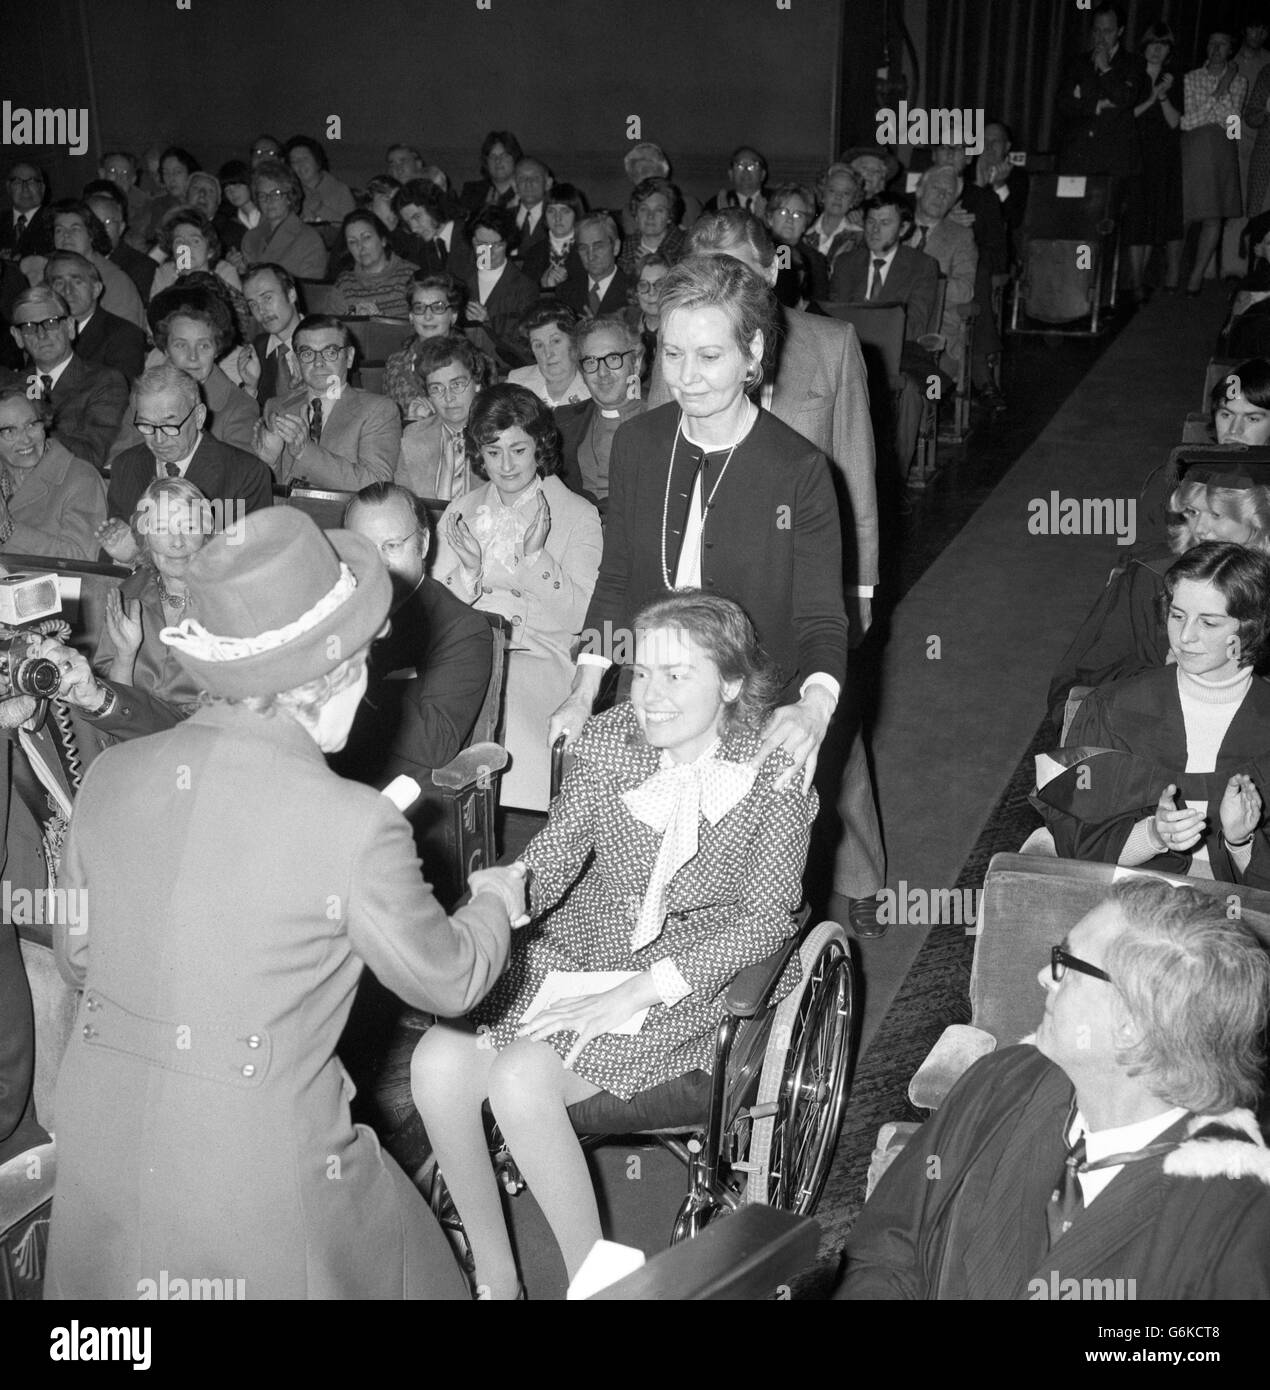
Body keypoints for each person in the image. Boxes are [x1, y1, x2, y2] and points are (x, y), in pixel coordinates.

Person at [45, 506, 525, 1300]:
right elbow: (451, 981)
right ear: (340, 674)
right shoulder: (354, 823)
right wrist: (492, 901)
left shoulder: (113, 776)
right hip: (256, 1165)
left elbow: (80, 957)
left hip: (101, 1138)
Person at [414, 591, 813, 1296]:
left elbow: (767, 920)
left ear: (728, 683)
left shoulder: (773, 774)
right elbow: (557, 853)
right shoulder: (607, 742)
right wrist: (502, 892)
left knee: (518, 1077)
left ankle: (597, 1285)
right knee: (438, 1063)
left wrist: (637, 987)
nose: (649, 697)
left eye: (676, 675)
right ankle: (497, 1282)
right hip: (587, 945)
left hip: (695, 975)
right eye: (642, 673)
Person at [839, 876, 1270, 1299]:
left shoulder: (1233, 1224)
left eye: (1067, 963)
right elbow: (888, 1245)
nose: (1045, 974)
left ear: (1131, 1026)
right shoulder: (1004, 1079)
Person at [646, 216, 883, 927]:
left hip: (804, 566)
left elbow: (857, 475)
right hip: (708, 574)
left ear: (770, 273)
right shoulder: (687, 344)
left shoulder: (831, 343)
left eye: (737, 269)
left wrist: (860, 593)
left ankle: (858, 874)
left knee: (828, 735)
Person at [554, 255, 848, 818]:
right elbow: (615, 580)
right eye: (672, 353)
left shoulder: (799, 469)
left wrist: (814, 706)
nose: (686, 377)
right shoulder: (637, 444)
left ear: (753, 355)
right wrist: (584, 688)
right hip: (649, 698)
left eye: (710, 356)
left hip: (752, 708)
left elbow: (820, 620)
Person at [1038, 542, 1270, 885]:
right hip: (1135, 890)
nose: (1185, 636)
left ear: (1249, 628)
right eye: (1177, 615)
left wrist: (1241, 842)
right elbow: (1077, 842)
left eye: (1208, 622)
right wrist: (1153, 835)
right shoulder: (1114, 708)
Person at [433, 383, 602, 810]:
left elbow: (585, 618)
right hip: (468, 651)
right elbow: (432, 612)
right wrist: (468, 572)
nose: (505, 465)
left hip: (538, 657)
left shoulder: (578, 515)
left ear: (540, 447)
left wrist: (535, 557)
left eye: (518, 450)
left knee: (504, 711)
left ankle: (516, 826)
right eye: (492, 452)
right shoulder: (460, 510)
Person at [1047, 462, 1270, 729]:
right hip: (1155, 725)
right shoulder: (1150, 576)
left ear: (1256, 520)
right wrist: (1162, 676)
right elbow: (1092, 671)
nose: (1200, 528)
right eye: (1192, 512)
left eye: (1216, 515)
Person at [334, 481, 493, 789]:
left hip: (393, 796)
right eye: (362, 548)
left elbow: (438, 742)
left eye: (392, 546)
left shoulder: (460, 628)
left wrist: (349, 676)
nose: (377, 563)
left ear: (423, 544)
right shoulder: (329, 608)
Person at [102, 363, 273, 566]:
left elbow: (246, 563)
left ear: (199, 417)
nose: (158, 439)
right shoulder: (126, 466)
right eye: (146, 425)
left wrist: (139, 554)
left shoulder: (245, 474)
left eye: (169, 425)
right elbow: (117, 557)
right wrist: (121, 556)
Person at [830, 192, 940, 474]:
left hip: (900, 352)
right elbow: (832, 316)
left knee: (912, 391)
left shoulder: (921, 266)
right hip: (849, 352)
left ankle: (895, 481)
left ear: (904, 229)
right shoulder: (846, 263)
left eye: (885, 222)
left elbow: (915, 324)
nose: (875, 229)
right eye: (870, 221)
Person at [95, 476, 214, 717]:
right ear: (144, 538)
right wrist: (125, 656)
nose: (177, 543)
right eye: (161, 528)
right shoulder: (127, 595)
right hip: (136, 736)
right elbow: (114, 709)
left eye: (189, 527)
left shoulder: (234, 596)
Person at [111, 287, 259, 460]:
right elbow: (117, 462)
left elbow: (238, 476)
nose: (193, 357)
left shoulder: (239, 408)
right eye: (181, 345)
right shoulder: (144, 396)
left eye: (203, 346)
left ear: (217, 350)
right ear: (165, 349)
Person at [255, 316, 400, 491]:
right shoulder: (276, 408)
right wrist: (270, 463)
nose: (318, 362)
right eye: (307, 353)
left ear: (349, 357)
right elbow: (267, 492)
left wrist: (305, 452)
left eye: (330, 352)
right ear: (296, 361)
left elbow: (376, 485)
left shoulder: (378, 410)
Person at [3, 285, 128, 471]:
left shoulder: (104, 381)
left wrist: (35, 429)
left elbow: (91, 456)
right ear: (17, 336)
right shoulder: (13, 386)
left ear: (70, 326)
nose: (41, 334)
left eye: (51, 323)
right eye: (29, 327)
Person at [1056, 2, 1149, 204]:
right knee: (1072, 219)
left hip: (1114, 161)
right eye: (1096, 30)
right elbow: (1064, 103)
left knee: (1108, 225)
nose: (1100, 37)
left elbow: (1125, 98)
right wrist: (1095, 105)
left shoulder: (1134, 63)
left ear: (1120, 31)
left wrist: (1106, 69)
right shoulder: (1077, 63)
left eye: (1107, 31)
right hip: (1078, 158)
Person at [0, 386, 106, 559]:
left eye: (31, 425)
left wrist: (8, 530)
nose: (26, 439)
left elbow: (81, 558)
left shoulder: (81, 478)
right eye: (10, 431)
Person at [555, 315, 646, 512]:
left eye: (613, 359)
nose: (602, 372)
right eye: (591, 362)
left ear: (636, 363)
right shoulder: (561, 425)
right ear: (582, 372)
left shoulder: (664, 421)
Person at [1182, 31, 1249, 294]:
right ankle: (1173, 273)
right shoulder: (1191, 77)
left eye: (1223, 44)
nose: (1216, 48)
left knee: (1213, 216)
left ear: (1231, 50)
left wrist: (1212, 106)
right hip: (1193, 148)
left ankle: (1196, 277)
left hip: (1223, 149)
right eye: (1212, 43)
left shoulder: (1240, 81)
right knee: (1184, 213)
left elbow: (1232, 123)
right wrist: (1222, 90)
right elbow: (1188, 120)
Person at [384, 273, 498, 422]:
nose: (428, 316)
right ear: (411, 316)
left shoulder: (481, 362)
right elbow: (390, 423)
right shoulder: (395, 364)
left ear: (454, 315)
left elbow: (488, 420)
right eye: (419, 308)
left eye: (438, 307)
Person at [1126, 22, 1184, 298]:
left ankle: (1141, 281)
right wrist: (1152, 98)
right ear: (1144, 46)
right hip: (1134, 155)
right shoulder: (1132, 76)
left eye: (1163, 45)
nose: (1157, 49)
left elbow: (1175, 122)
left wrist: (1162, 98)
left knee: (1151, 221)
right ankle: (1135, 284)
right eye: (1153, 44)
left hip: (1161, 159)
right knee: (1136, 219)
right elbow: (1127, 116)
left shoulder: (1172, 80)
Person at [395, 334, 491, 499]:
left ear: (476, 383)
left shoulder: (499, 434)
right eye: (436, 388)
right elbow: (403, 502)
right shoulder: (414, 436)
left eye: (457, 385)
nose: (448, 397)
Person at [906, 166, 979, 380]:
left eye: (948, 193)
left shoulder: (961, 237)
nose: (941, 196)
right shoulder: (896, 225)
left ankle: (929, 406)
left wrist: (926, 283)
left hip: (938, 328)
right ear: (919, 190)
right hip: (893, 321)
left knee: (921, 379)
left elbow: (965, 290)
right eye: (936, 188)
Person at [43, 200, 146, 331]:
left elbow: (126, 336)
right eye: (59, 230)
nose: (66, 235)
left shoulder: (115, 281)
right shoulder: (47, 275)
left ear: (91, 234)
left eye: (75, 229)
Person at [43, 250, 145, 382]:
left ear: (96, 289)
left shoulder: (123, 335)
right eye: (59, 283)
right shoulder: (40, 332)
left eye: (77, 282)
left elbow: (117, 394)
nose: (67, 290)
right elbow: (32, 383)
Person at [464, 207, 536, 366]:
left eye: (497, 245)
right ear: (473, 241)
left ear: (507, 243)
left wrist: (488, 323)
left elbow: (529, 349)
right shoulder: (461, 280)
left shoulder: (525, 288)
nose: (490, 253)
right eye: (483, 244)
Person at [239, 161, 328, 282]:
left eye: (276, 194)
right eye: (262, 195)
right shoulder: (250, 238)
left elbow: (310, 291)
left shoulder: (309, 239)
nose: (268, 200)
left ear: (290, 197)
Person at [329, 210, 418, 319]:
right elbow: (330, 326)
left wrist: (379, 321)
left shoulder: (410, 275)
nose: (360, 246)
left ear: (383, 240)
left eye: (366, 237)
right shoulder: (344, 283)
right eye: (352, 242)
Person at [238, 262, 303, 403]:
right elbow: (242, 420)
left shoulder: (326, 340)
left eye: (267, 298)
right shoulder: (256, 351)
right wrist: (250, 388)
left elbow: (350, 407)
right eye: (253, 304)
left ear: (291, 294)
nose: (261, 310)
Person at [149, 206, 244, 300]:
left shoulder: (225, 273)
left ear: (210, 251)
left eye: (195, 241)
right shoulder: (165, 274)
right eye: (179, 242)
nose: (186, 247)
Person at [82, 182, 157, 302]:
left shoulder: (142, 267)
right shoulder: (72, 259)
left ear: (121, 227)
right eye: (94, 221)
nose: (100, 228)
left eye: (107, 222)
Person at [508, 302, 590, 407]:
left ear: (573, 341)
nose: (548, 353)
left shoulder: (593, 386)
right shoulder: (517, 384)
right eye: (539, 345)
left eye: (555, 341)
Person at [765, 182, 830, 307]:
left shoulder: (815, 260)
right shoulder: (755, 250)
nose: (790, 220)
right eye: (783, 212)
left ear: (806, 224)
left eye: (797, 215)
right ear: (770, 218)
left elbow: (820, 303)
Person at [284, 135, 356, 242]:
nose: (300, 164)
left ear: (317, 161)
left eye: (305, 158)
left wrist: (319, 208)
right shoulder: (287, 193)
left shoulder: (340, 190)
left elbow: (352, 228)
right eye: (294, 161)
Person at [559, 213, 631, 319]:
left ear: (616, 247)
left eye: (598, 247)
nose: (590, 256)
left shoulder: (633, 292)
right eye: (583, 248)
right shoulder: (565, 292)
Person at [519, 182, 587, 292]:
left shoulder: (587, 248)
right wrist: (543, 286)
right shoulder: (534, 252)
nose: (557, 218)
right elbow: (524, 294)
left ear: (576, 214)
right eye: (551, 211)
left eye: (565, 211)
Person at [618, 178, 686, 276]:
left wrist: (657, 264)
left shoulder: (686, 248)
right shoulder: (623, 250)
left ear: (670, 216)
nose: (650, 216)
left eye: (659, 210)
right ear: (636, 215)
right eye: (644, 209)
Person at [806, 163, 865, 271]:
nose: (838, 197)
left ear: (853, 200)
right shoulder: (804, 232)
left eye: (846, 193)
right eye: (832, 190)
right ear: (822, 195)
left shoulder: (861, 238)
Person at [459, 131, 523, 217]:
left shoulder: (526, 191)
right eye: (492, 156)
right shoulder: (472, 191)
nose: (498, 161)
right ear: (486, 162)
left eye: (504, 155)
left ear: (514, 158)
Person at [628, 251, 671, 378]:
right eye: (643, 285)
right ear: (635, 292)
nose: (651, 292)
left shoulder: (684, 331)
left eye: (660, 284)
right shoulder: (625, 329)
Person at [703, 146, 768, 218]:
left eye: (752, 166)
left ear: (763, 174)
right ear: (731, 174)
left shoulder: (775, 201)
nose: (746, 171)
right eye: (739, 166)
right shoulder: (715, 205)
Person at [509, 157, 553, 263]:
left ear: (548, 183)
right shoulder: (501, 218)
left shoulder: (557, 218)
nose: (528, 183)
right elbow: (485, 260)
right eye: (522, 178)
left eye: (535, 178)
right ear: (514, 185)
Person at [1, 163, 47, 262]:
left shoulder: (54, 221)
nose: (25, 188)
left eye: (32, 181)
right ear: (8, 188)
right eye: (17, 182)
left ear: (42, 188)